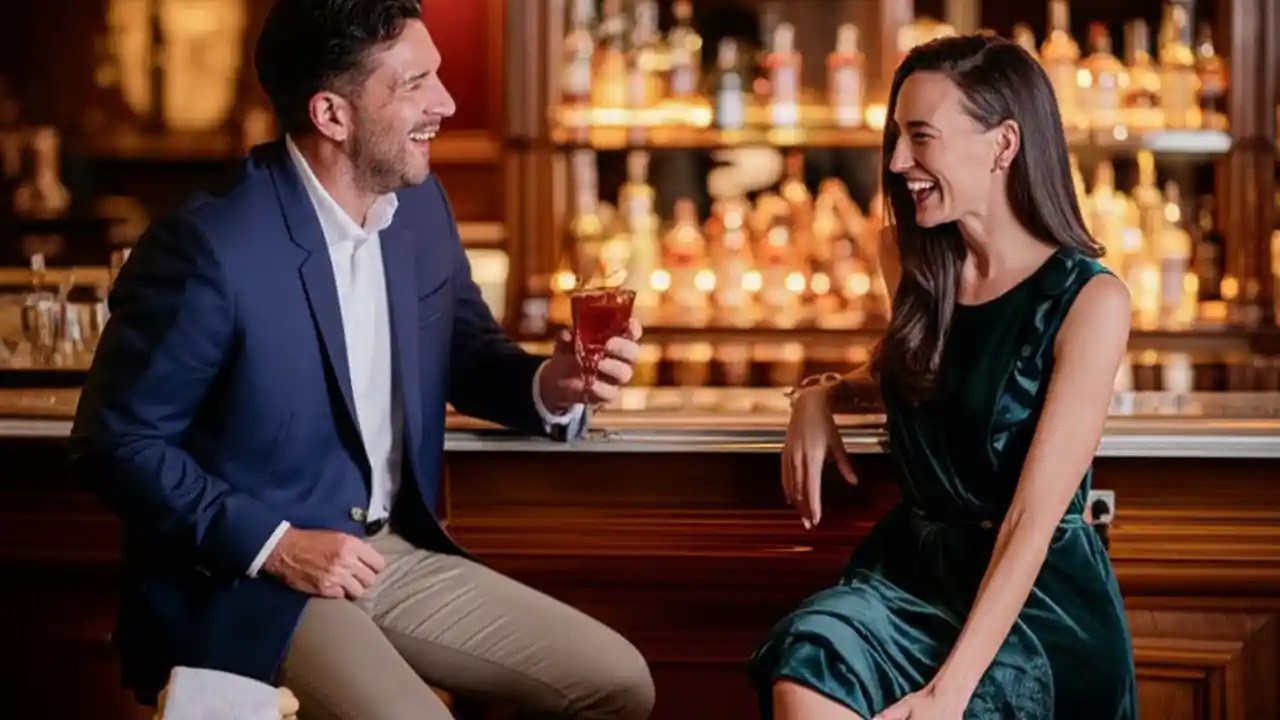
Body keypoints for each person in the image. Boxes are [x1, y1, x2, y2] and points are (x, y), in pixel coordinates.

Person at [69, 1, 655, 718]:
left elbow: (468, 352)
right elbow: (116, 443)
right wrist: (278, 546)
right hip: (247, 580)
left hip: (387, 553)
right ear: (332, 114)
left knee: (619, 684)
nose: (445, 102)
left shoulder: (419, 207)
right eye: (414, 85)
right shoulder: (208, 245)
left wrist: (552, 384)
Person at [747, 34, 1137, 720]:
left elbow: (1031, 520)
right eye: (896, 136)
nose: (898, 163)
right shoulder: (907, 257)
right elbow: (918, 373)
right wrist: (820, 396)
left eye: (920, 137)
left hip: (1034, 605)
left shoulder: (1092, 301)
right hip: (910, 579)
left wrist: (946, 694)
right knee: (807, 665)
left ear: (1003, 144)